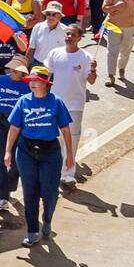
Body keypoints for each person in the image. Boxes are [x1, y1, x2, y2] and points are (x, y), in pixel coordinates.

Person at [5, 66, 77, 245]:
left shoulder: (56, 102)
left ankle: (47, 218)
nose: (33, 84)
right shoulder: (23, 101)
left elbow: (66, 130)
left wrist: (70, 155)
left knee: (50, 192)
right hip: (26, 151)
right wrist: (8, 151)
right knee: (30, 193)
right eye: (31, 81)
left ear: (46, 84)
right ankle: (32, 231)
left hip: (50, 152)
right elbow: (14, 127)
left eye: (37, 81)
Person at [44, 24, 96, 189]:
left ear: (79, 38)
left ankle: (68, 174)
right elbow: (46, 75)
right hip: (55, 103)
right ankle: (55, 172)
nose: (69, 37)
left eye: (73, 35)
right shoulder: (54, 53)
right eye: (67, 33)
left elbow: (92, 81)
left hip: (75, 105)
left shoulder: (86, 57)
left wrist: (93, 70)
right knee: (55, 139)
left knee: (71, 140)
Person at [0, 57, 29, 210]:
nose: (15, 72)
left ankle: (9, 184)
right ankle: (0, 197)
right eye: (13, 69)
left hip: (18, 125)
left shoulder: (28, 86)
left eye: (18, 70)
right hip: (0, 122)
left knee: (17, 160)